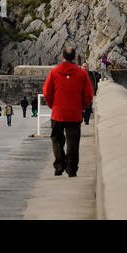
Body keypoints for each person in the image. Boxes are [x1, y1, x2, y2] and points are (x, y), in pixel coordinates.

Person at [43, 45, 94, 177]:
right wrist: (81, 107)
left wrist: (52, 106)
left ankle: (59, 165)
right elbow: (89, 94)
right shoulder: (82, 73)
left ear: (63, 57)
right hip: (74, 113)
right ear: (75, 57)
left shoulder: (54, 72)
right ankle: (71, 169)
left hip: (58, 113)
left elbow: (47, 92)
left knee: (57, 139)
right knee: (73, 141)